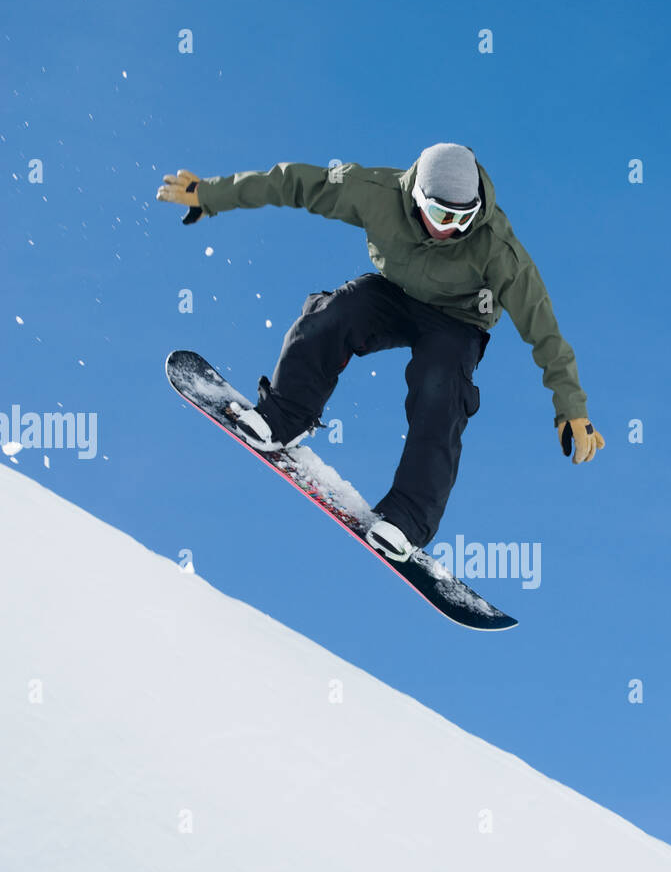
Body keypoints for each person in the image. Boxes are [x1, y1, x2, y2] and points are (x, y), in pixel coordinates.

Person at [156, 143, 604, 561]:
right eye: (438, 214)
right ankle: (283, 417)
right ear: (415, 196)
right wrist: (212, 194)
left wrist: (572, 408)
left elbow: (543, 327)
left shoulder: (498, 250)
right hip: (396, 294)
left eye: (461, 221)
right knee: (334, 314)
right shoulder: (374, 192)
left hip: (457, 322)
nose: (447, 230)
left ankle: (408, 517)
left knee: (440, 385)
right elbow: (294, 182)